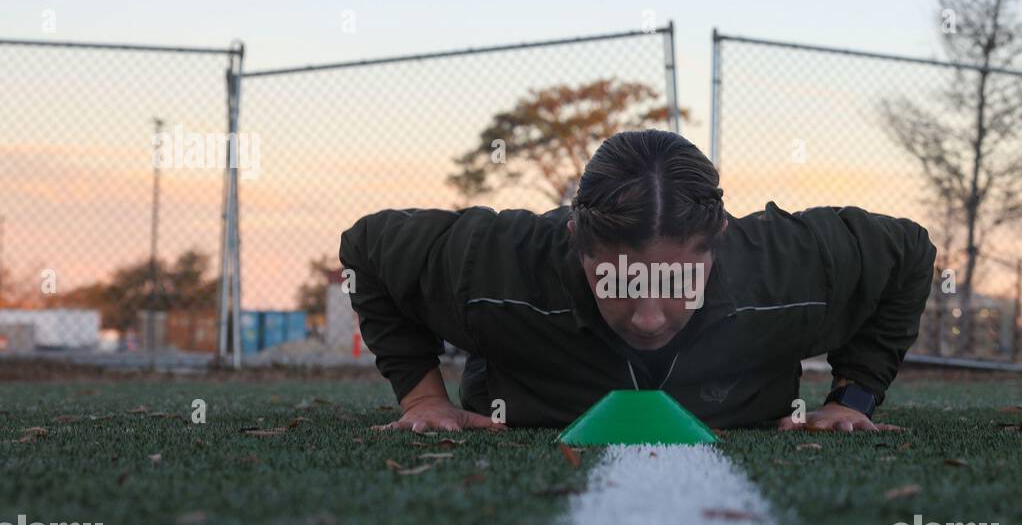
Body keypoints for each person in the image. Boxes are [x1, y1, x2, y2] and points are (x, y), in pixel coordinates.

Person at [339, 128, 935, 433]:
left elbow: (911, 253)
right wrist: (422, 398)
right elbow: (366, 248)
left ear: (717, 242)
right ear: (577, 242)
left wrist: (852, 399)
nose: (649, 317)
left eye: (675, 279)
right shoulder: (494, 262)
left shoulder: (789, 265)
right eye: (621, 280)